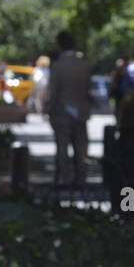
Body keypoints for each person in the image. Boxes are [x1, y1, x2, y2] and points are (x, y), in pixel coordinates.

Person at [47, 29, 91, 188]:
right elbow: (88, 88)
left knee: (62, 147)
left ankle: (64, 179)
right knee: (81, 148)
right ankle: (81, 179)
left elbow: (53, 91)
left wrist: (49, 110)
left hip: (62, 111)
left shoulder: (58, 65)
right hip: (81, 111)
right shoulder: (85, 64)